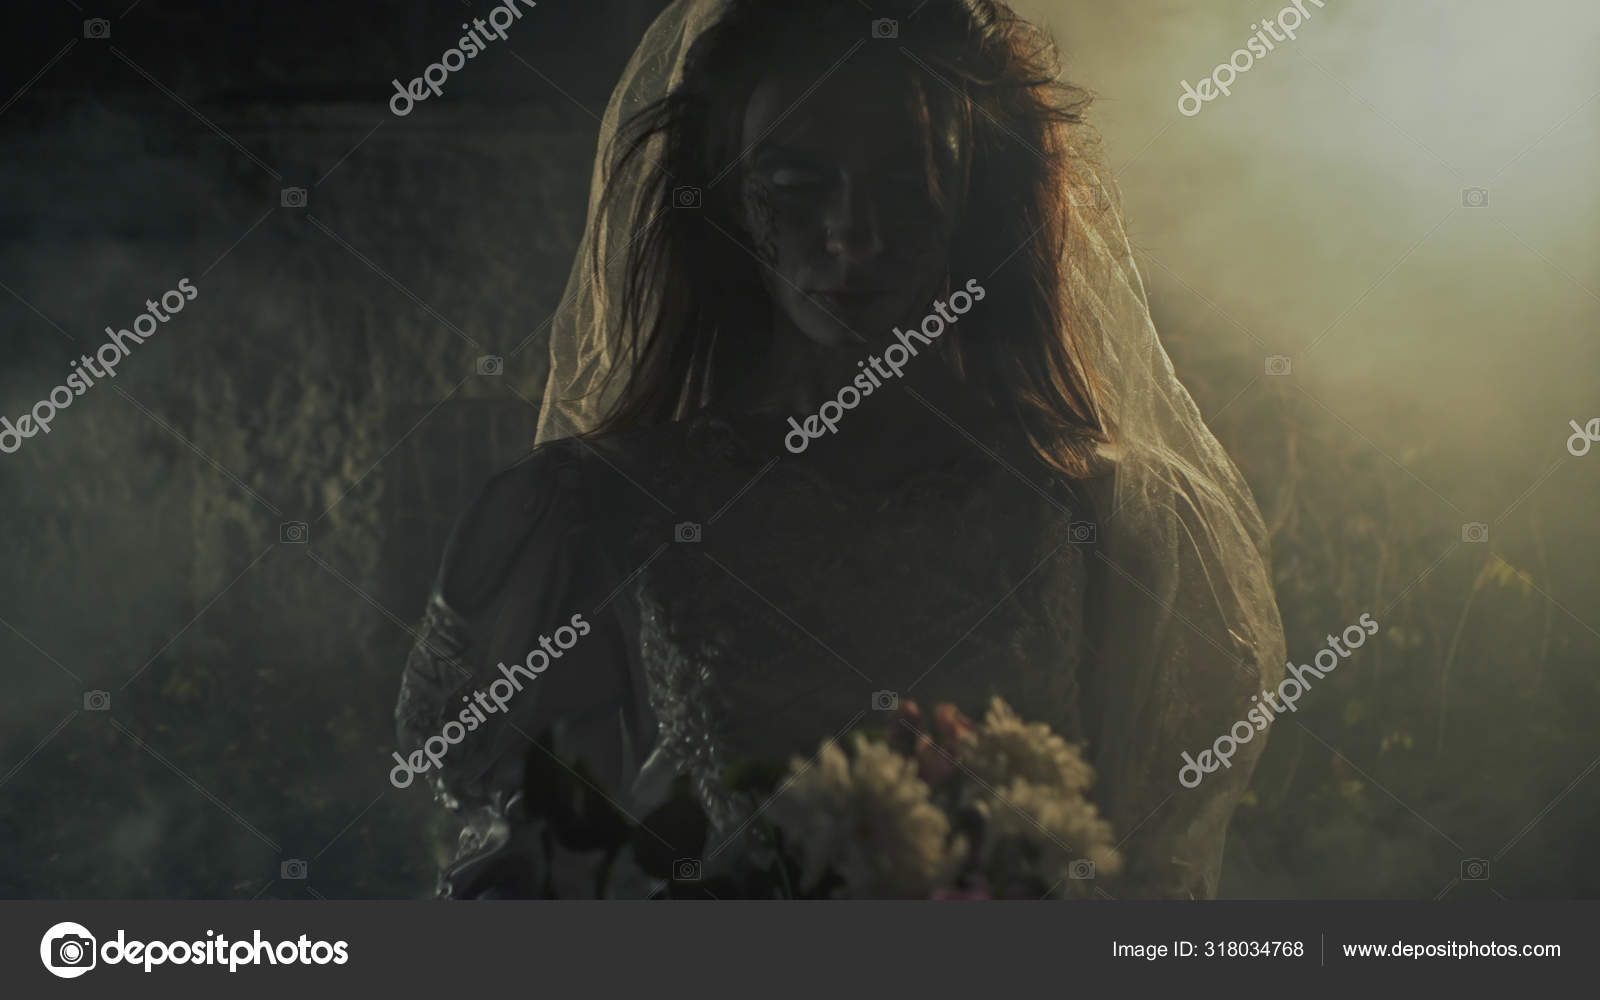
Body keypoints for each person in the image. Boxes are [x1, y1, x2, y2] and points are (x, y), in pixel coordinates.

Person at [395, 0, 1285, 899]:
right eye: (796, 185)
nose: (854, 232)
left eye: (905, 183)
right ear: (729, 196)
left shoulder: (1100, 512)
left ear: (971, 195)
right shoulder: (598, 508)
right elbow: (533, 879)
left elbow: (1149, 875)